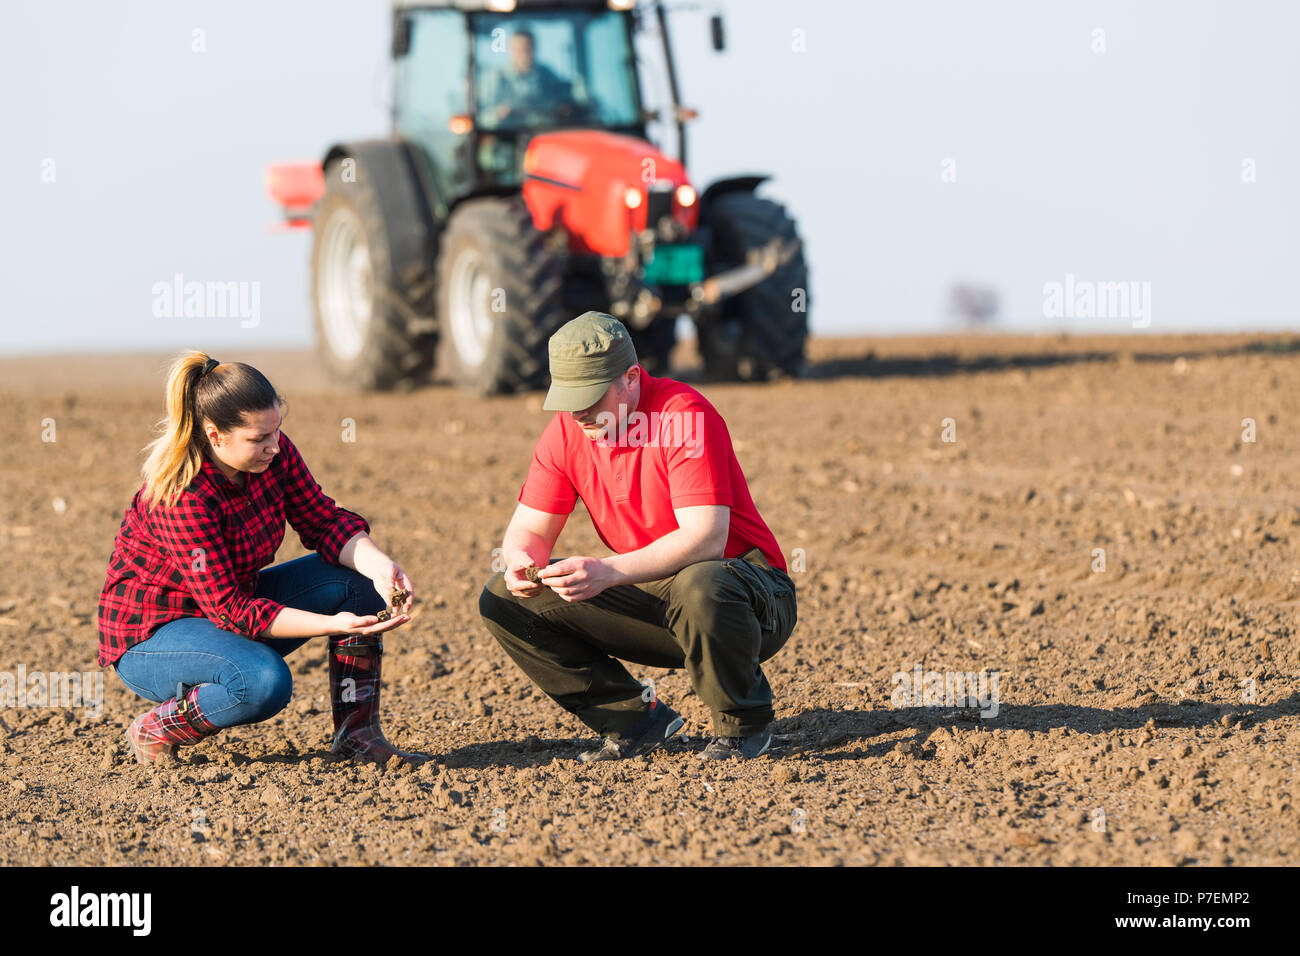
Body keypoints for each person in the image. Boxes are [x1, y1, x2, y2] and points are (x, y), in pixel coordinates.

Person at [479, 312, 797, 761]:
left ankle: (743, 726)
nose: (579, 413)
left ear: (630, 379)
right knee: (503, 598)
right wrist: (520, 560)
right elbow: (528, 529)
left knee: (701, 582)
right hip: (654, 593)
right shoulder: (569, 433)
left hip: (749, 597)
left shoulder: (682, 414)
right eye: (569, 400)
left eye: (589, 398)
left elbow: (705, 538)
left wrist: (607, 571)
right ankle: (633, 721)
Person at [96, 352, 427, 766]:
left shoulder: (273, 456)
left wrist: (380, 566)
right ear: (214, 435)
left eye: (276, 431)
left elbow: (322, 520)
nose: (274, 446)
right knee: (262, 681)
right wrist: (330, 625)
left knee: (360, 585)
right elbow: (230, 611)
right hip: (155, 634)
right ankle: (157, 727)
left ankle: (357, 737)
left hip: (228, 606)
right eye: (258, 439)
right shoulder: (183, 496)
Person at [482, 29, 575, 126]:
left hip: (542, 130)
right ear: (510, 50)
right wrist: (497, 114)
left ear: (534, 49)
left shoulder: (547, 76)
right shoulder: (495, 79)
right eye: (519, 50)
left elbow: (563, 104)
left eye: (527, 49)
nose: (524, 55)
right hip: (507, 134)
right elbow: (481, 116)